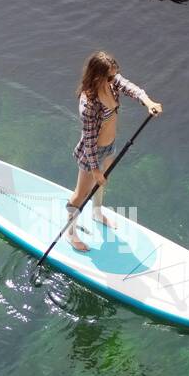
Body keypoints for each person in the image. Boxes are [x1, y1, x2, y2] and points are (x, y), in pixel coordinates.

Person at [67, 51, 162, 251]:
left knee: (102, 184)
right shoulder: (89, 104)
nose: (115, 79)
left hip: (110, 146)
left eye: (115, 74)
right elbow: (90, 140)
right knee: (81, 194)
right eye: (110, 76)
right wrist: (94, 170)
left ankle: (97, 213)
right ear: (97, 76)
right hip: (92, 153)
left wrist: (148, 102)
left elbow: (131, 88)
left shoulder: (111, 82)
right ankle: (70, 232)